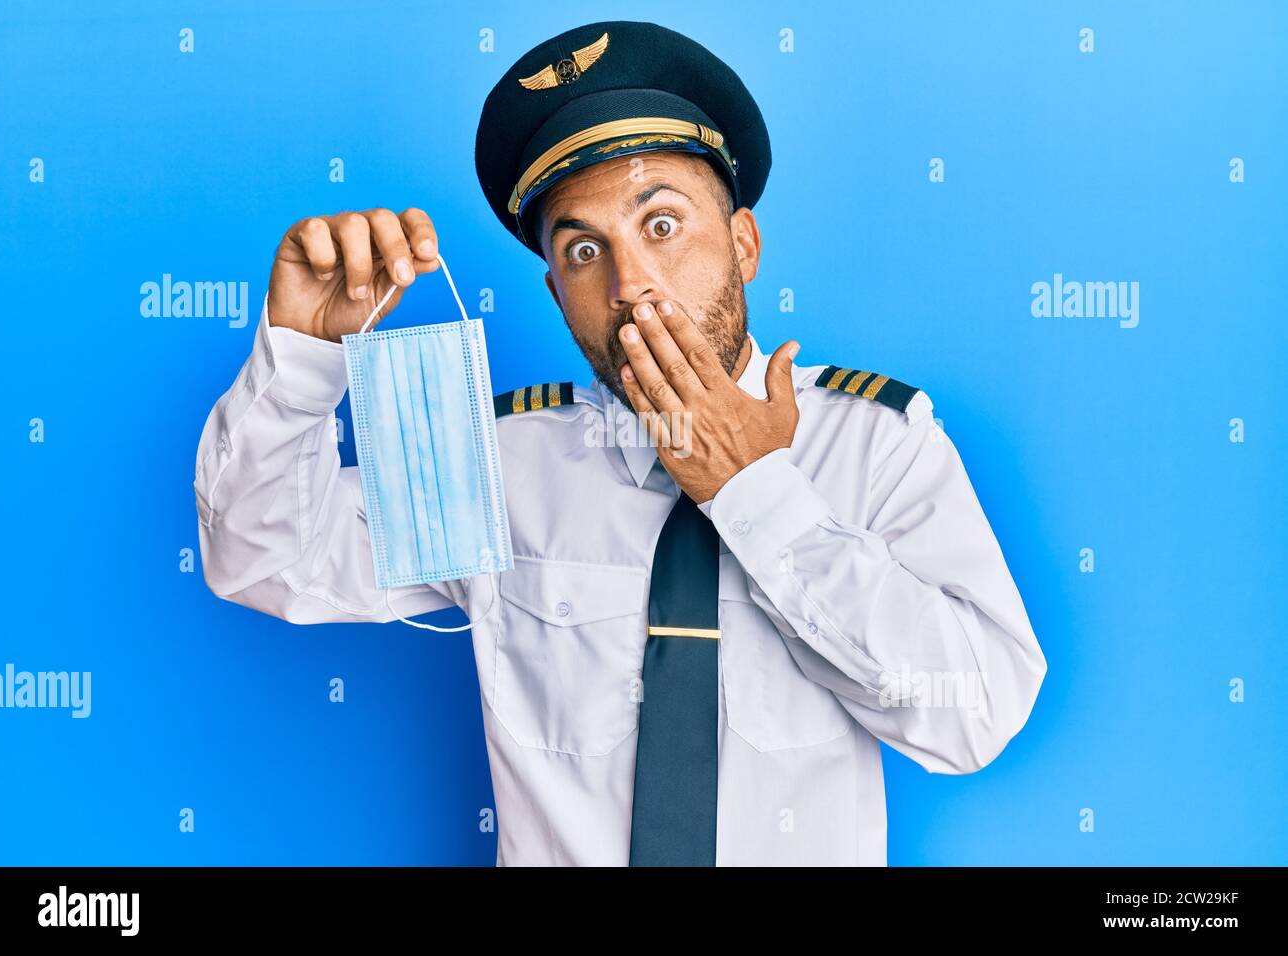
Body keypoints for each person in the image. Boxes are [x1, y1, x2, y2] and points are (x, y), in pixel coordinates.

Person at [194, 19, 1046, 866]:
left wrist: (753, 492)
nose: (631, 283)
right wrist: (303, 358)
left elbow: (977, 713)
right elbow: (267, 558)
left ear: (744, 244)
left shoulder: (877, 446)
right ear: (556, 290)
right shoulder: (502, 461)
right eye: (585, 249)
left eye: (663, 226)